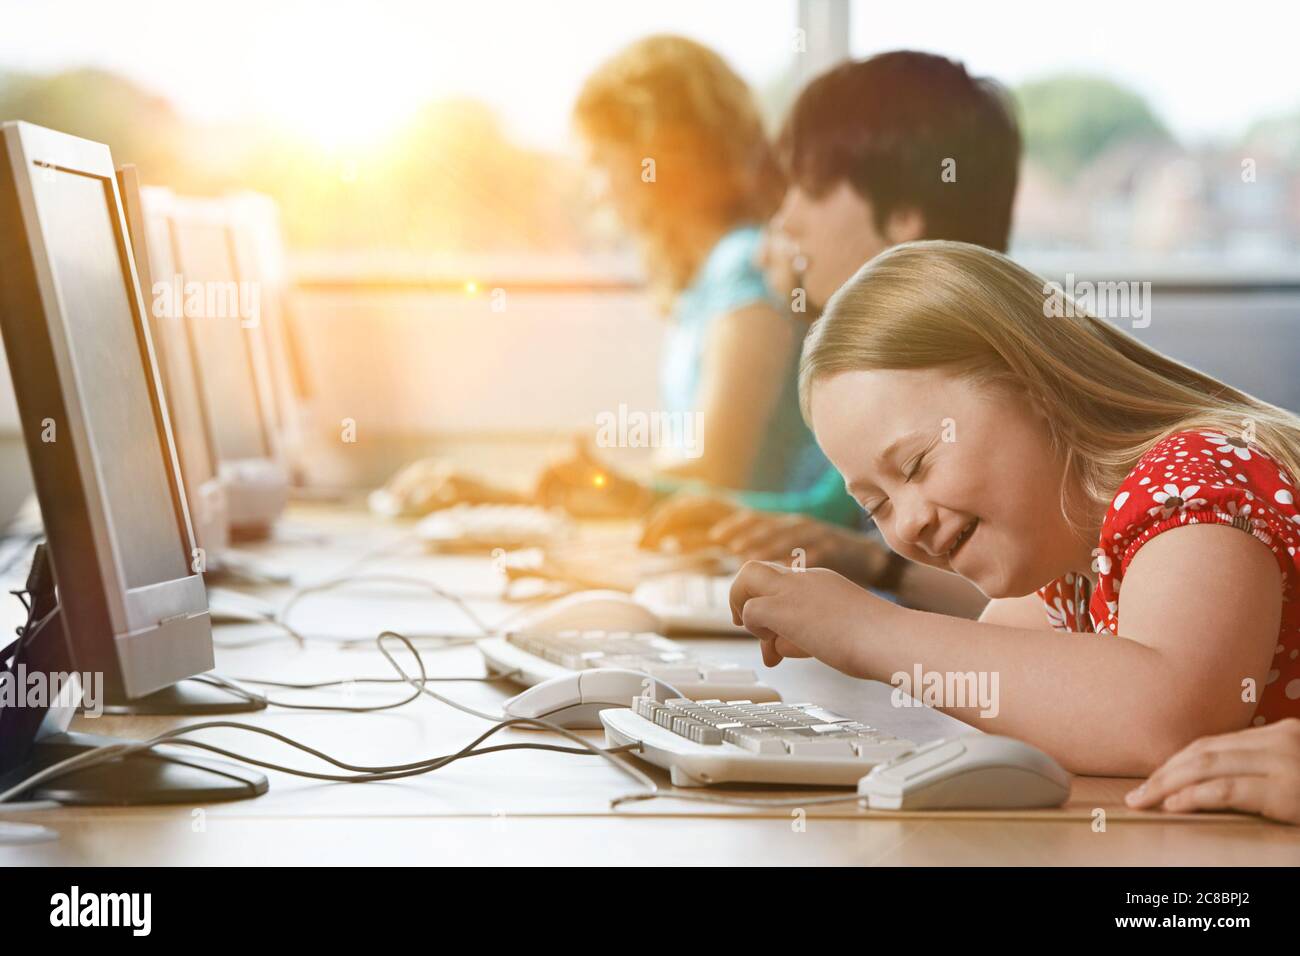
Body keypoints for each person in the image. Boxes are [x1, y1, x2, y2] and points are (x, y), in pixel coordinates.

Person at [730, 240, 1300, 775]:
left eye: (916, 464)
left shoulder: (1192, 478)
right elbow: (1007, 697)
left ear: (1034, 388)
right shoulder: (1063, 555)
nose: (908, 522)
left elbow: (1169, 717)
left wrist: (865, 631)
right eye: (875, 504)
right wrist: (841, 631)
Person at [382, 36, 829, 517]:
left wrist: (512, 495)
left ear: (657, 155)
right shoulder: (709, 280)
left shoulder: (741, 266)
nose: (596, 194)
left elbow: (713, 474)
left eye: (599, 162)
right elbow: (679, 476)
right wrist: (507, 496)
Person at [640, 51, 1019, 616]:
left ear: (905, 218)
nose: (784, 220)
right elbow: (827, 510)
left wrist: (874, 563)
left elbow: (1043, 600)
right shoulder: (879, 360)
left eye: (810, 191)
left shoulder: (986, 379)